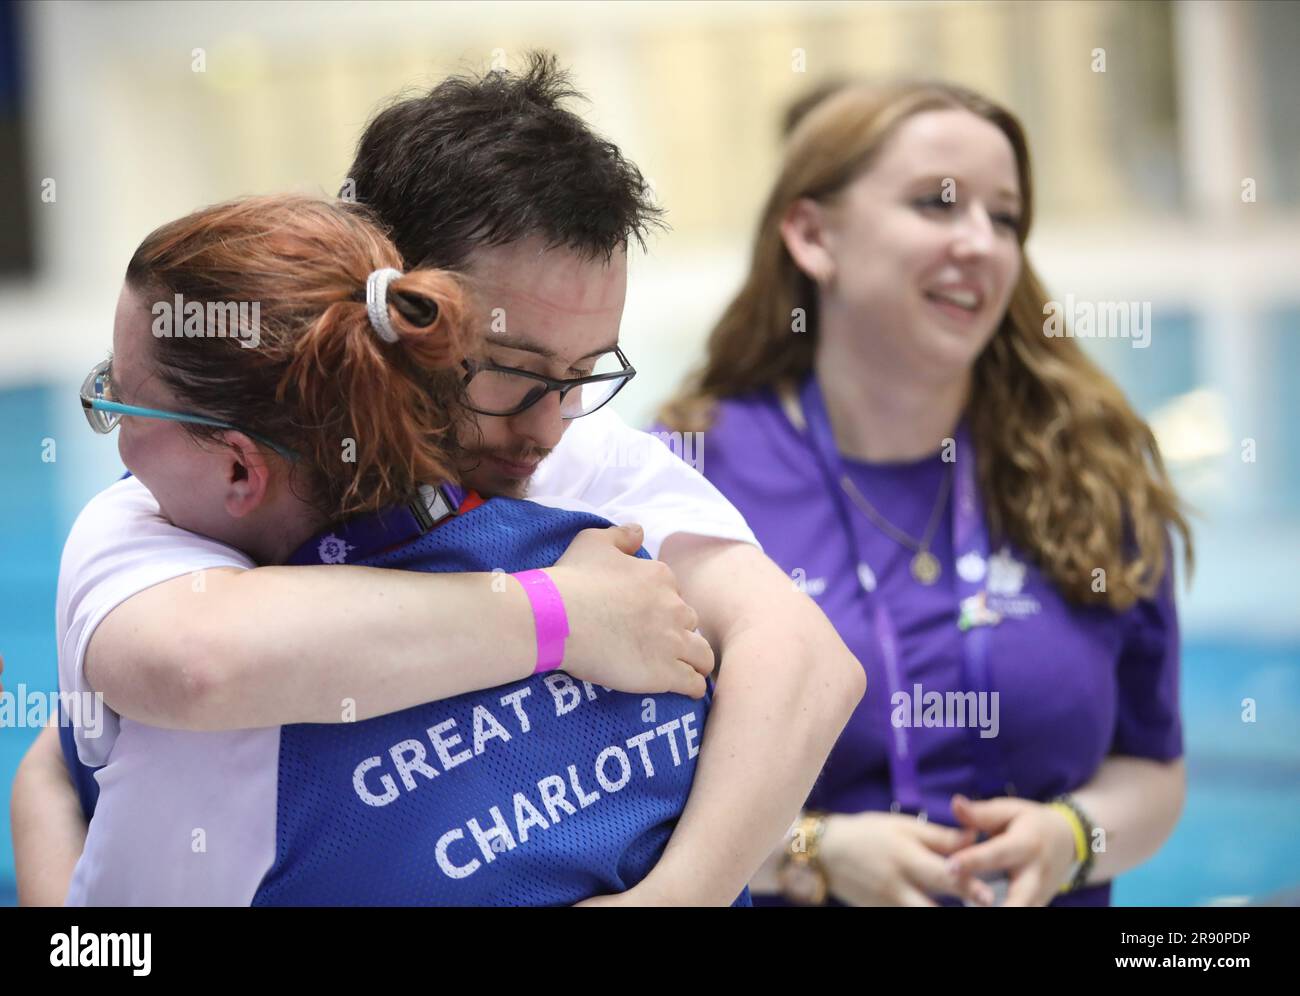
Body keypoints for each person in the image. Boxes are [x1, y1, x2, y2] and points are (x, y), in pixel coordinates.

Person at [11, 54, 863, 906]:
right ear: (395, 305)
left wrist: (677, 898)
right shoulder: (172, 506)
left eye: (585, 372)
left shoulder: (582, 453)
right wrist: (564, 615)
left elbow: (805, 659)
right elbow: (121, 718)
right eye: (509, 369)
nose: (547, 424)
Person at [657, 79, 1193, 907]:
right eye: (938, 205)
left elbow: (1153, 768)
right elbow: (626, 792)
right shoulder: (689, 473)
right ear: (811, 235)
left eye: (1006, 217)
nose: (981, 242)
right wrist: (810, 852)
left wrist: (1073, 836)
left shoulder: (1089, 464)